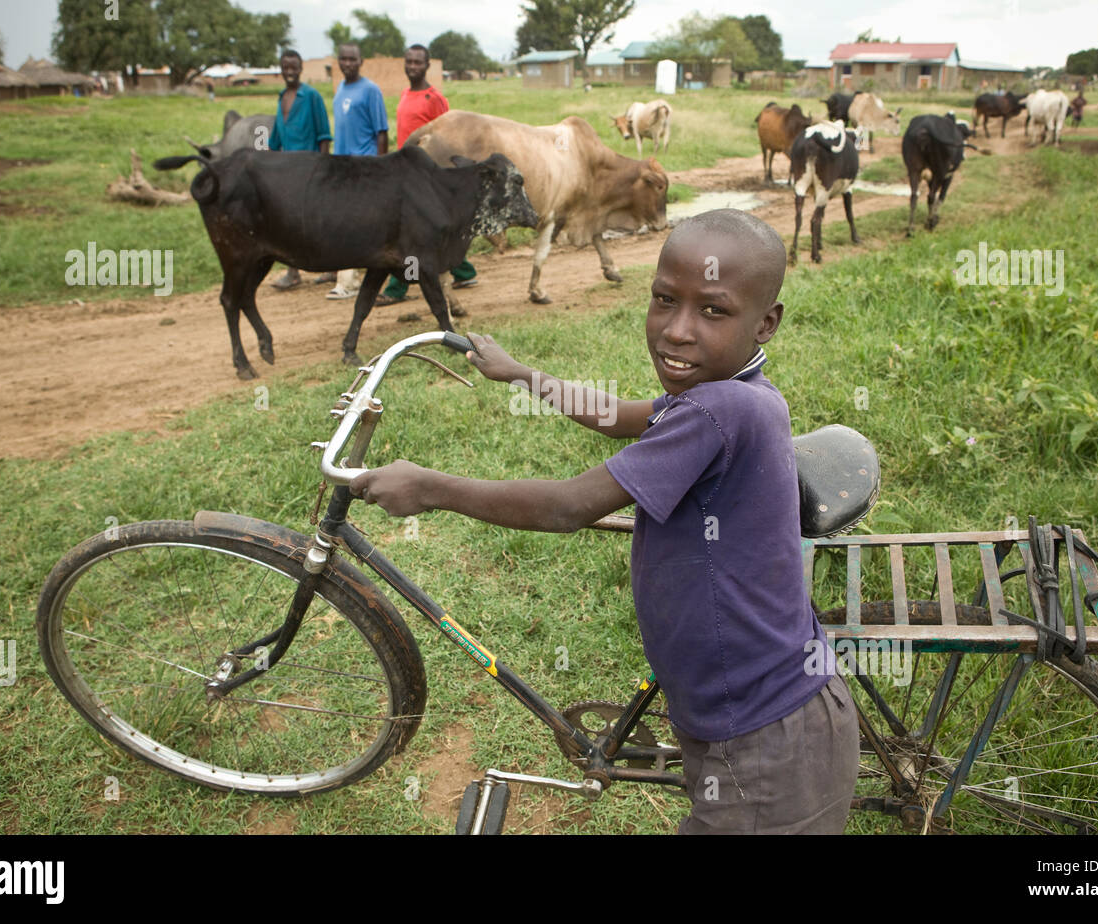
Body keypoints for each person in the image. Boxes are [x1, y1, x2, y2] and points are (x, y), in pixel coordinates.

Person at [350, 209, 860, 834]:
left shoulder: (718, 407)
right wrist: (521, 374)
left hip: (764, 740)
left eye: (713, 311)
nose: (677, 331)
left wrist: (431, 487)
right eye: (665, 300)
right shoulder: (735, 390)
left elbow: (568, 506)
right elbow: (621, 413)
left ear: (767, 322)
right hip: (745, 715)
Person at [376, 44, 477, 307]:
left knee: (411, 230)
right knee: (424, 230)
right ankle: (464, 271)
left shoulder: (434, 99)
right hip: (405, 169)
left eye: (418, 62)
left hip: (426, 173)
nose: (412, 67)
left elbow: (448, 136)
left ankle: (398, 287)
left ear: (427, 65)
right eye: (409, 62)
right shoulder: (405, 94)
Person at [322, 42, 391, 300]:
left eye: (353, 59)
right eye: (343, 59)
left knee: (355, 225)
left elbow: (381, 132)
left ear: (361, 62)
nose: (348, 63)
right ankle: (352, 279)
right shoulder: (340, 89)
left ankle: (350, 282)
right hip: (343, 168)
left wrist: (380, 169)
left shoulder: (371, 90)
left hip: (365, 168)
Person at [267, 49, 334, 291]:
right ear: (281, 69)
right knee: (288, 222)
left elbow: (324, 135)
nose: (290, 71)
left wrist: (323, 170)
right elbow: (275, 139)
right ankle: (293, 271)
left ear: (301, 68)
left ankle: (332, 267)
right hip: (287, 171)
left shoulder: (312, 96)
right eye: (286, 67)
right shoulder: (282, 97)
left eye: (294, 67)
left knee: (317, 220)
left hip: (310, 170)